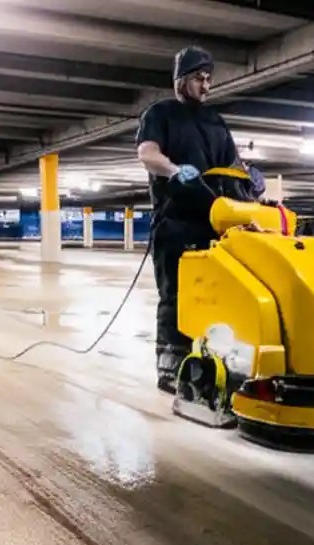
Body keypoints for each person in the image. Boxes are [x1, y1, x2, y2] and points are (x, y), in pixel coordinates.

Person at [136, 46, 239, 393]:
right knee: (175, 295)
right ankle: (169, 364)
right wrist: (174, 170)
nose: (205, 85)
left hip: (212, 223)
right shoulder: (160, 113)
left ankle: (209, 359)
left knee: (213, 296)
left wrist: (251, 182)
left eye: (209, 79)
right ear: (181, 80)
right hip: (174, 222)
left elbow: (232, 168)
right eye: (198, 78)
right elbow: (147, 154)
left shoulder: (215, 121)